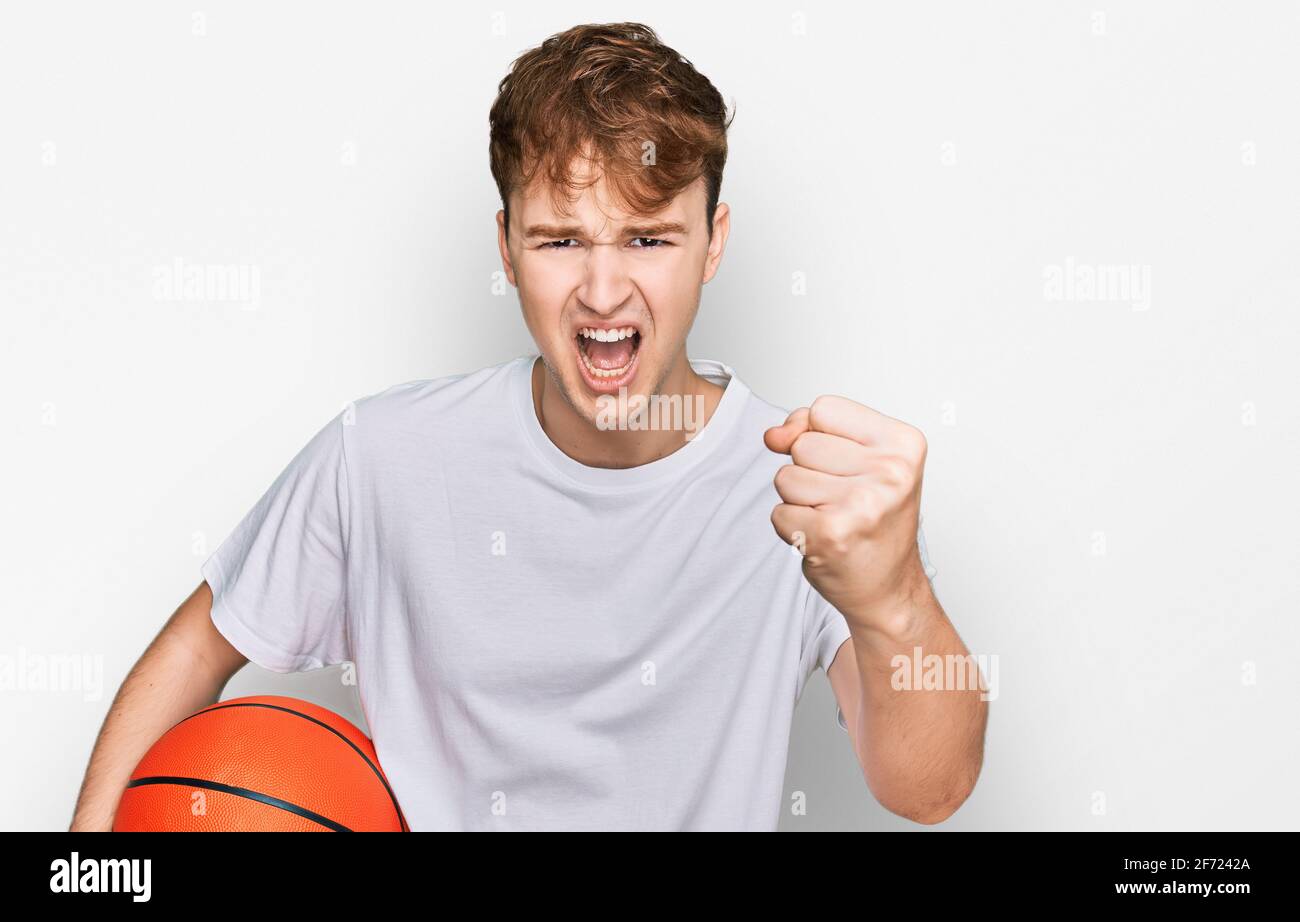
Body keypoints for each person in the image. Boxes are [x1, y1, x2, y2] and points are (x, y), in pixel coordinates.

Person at [71, 21, 986, 832]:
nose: (602, 289)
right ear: (506, 247)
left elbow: (929, 789)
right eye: (561, 240)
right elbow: (199, 642)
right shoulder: (383, 457)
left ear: (715, 242)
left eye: (649, 238)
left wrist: (894, 598)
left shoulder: (805, 489)